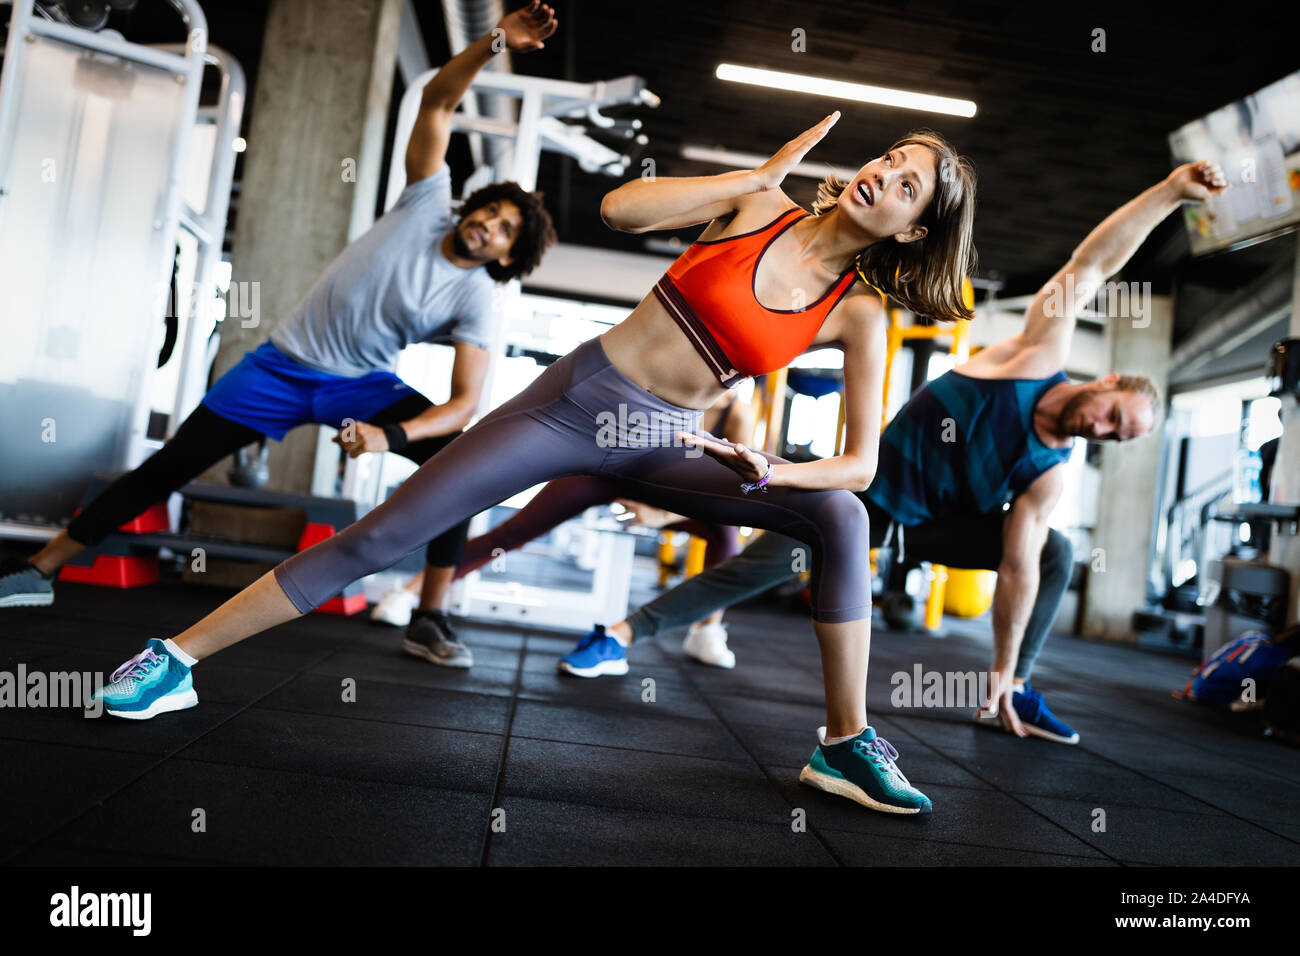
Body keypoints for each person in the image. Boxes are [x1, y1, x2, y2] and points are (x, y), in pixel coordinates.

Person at [89, 112, 979, 818]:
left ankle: (843, 742)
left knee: (842, 518)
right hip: (569, 405)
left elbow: (859, 465)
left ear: (912, 229)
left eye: (908, 185)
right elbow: (620, 211)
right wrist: (754, 176)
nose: (884, 175)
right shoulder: (760, 207)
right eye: (891, 156)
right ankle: (173, 659)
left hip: (668, 441)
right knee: (386, 535)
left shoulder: (859, 315)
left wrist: (773, 467)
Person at [577, 160, 1230, 747]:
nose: (1107, 431)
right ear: (1108, 381)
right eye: (1116, 417)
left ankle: (1014, 689)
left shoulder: (1050, 473)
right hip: (872, 489)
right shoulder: (1035, 357)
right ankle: (619, 636)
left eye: (1120, 437)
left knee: (1052, 551)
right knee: (759, 569)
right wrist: (1172, 191)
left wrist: (1002, 666)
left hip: (938, 527)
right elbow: (1089, 268)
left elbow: (1019, 568)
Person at [0, 3, 560, 677]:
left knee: (463, 469)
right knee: (168, 466)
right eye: (490, 211)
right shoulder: (424, 201)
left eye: (503, 231)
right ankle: (40, 567)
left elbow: (465, 403)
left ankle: (430, 615)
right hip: (278, 368)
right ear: (472, 206)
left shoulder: (477, 298)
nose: (488, 226)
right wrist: (496, 39)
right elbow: (440, 99)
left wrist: (391, 437)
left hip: (360, 383)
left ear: (506, 257)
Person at [369, 392, 754, 669]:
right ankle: (408, 592)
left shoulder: (737, 411)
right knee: (511, 536)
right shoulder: (670, 383)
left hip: (660, 497)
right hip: (601, 471)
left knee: (724, 531)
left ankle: (707, 631)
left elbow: (733, 487)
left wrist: (660, 515)